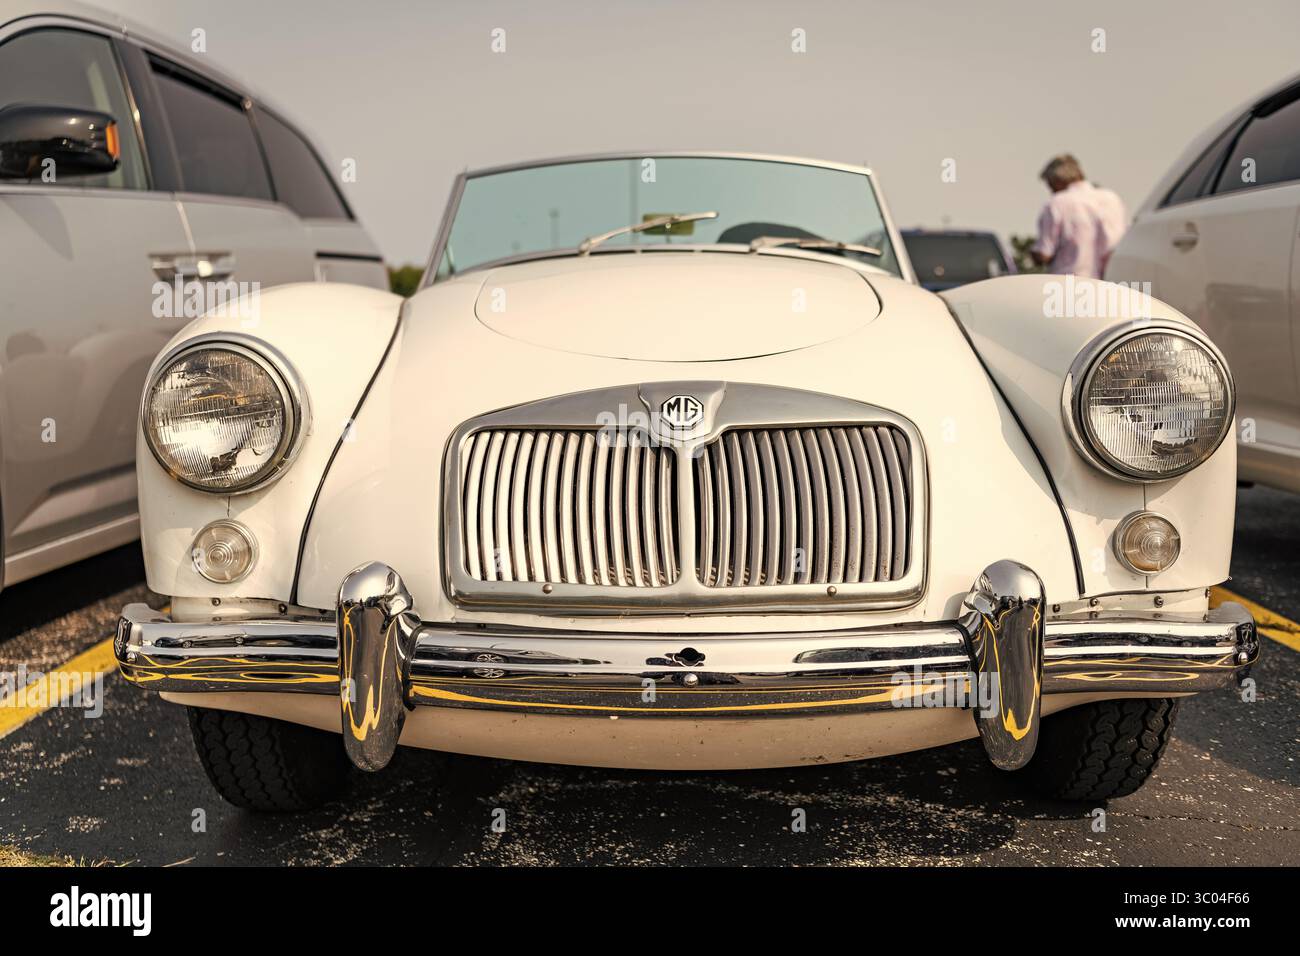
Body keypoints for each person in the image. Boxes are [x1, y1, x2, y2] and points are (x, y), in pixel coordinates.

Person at [1032, 154, 1128, 278]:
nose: (1051, 191)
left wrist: (1033, 254)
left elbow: (1044, 253)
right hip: (1111, 282)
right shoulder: (1112, 199)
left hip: (1068, 284)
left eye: (1051, 185)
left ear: (1058, 180)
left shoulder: (1057, 203)